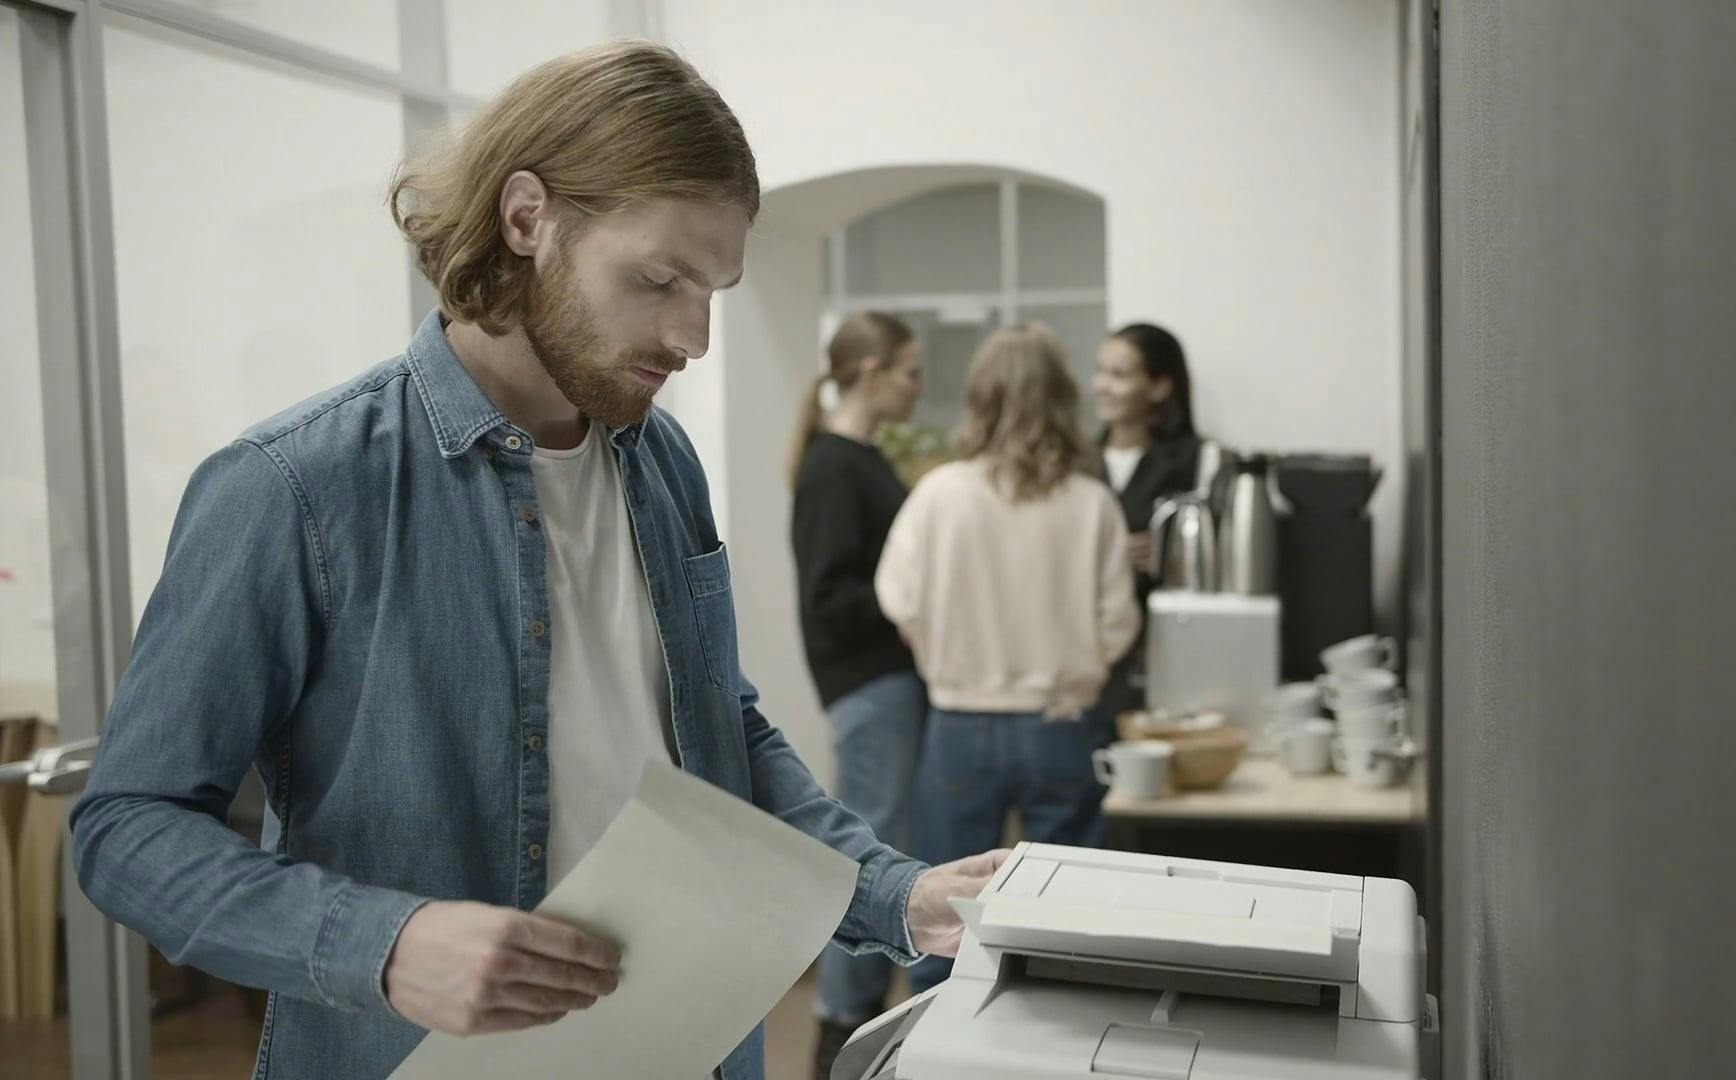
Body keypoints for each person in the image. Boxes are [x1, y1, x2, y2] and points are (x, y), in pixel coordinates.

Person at [67, 42, 1002, 1080]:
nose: (692, 334)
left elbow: (714, 735)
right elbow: (128, 830)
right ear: (526, 220)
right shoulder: (291, 488)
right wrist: (384, 945)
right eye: (658, 279)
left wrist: (894, 896)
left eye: (713, 289)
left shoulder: (660, 458)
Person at [874, 322, 1140, 994]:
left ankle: (933, 1054)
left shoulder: (940, 493)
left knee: (944, 915)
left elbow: (895, 595)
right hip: (1062, 721)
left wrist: (943, 642)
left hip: (962, 723)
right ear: (1062, 400)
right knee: (1070, 919)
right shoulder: (1092, 504)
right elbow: (1118, 626)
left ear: (980, 399)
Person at [786, 312, 928, 1075]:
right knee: (866, 859)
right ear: (870, 372)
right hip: (868, 685)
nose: (918, 386)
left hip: (882, 684)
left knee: (883, 849)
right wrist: (911, 604)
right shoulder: (835, 465)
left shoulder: (858, 457)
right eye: (909, 370)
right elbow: (831, 598)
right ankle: (840, 1036)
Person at [1089, 322, 1202, 719]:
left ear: (1159, 387)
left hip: (1166, 646)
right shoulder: (1075, 461)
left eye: (1119, 375)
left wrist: (1172, 552)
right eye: (1100, 371)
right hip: (1088, 649)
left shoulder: (1196, 461)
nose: (1101, 385)